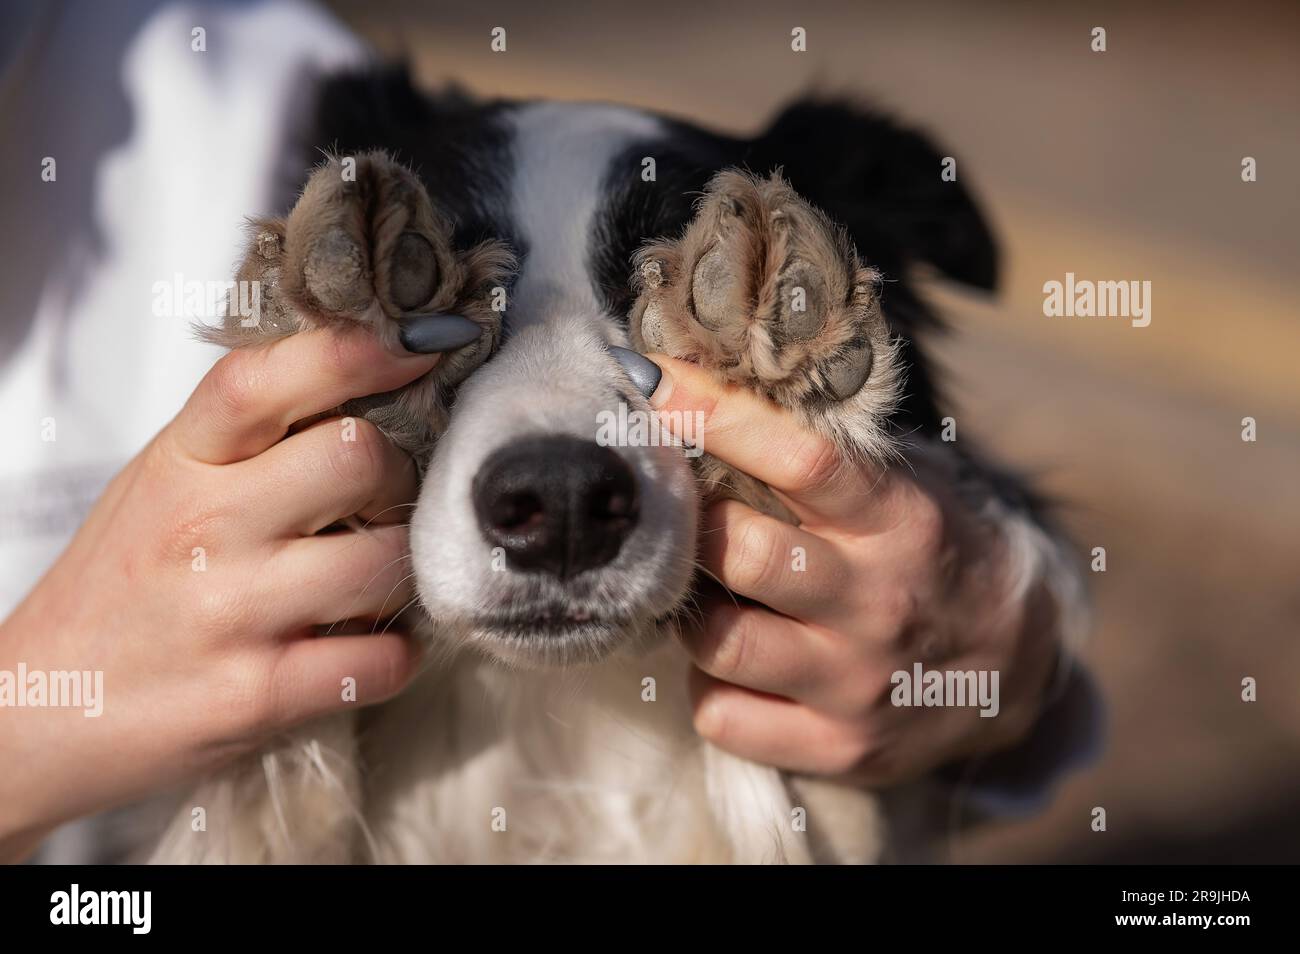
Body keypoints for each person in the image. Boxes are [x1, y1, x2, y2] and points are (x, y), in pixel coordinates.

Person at [0, 0, 1098, 864]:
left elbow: (975, 620)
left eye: (674, 325)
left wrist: (1001, 632)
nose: (561, 491)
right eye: (458, 314)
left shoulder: (263, 102)